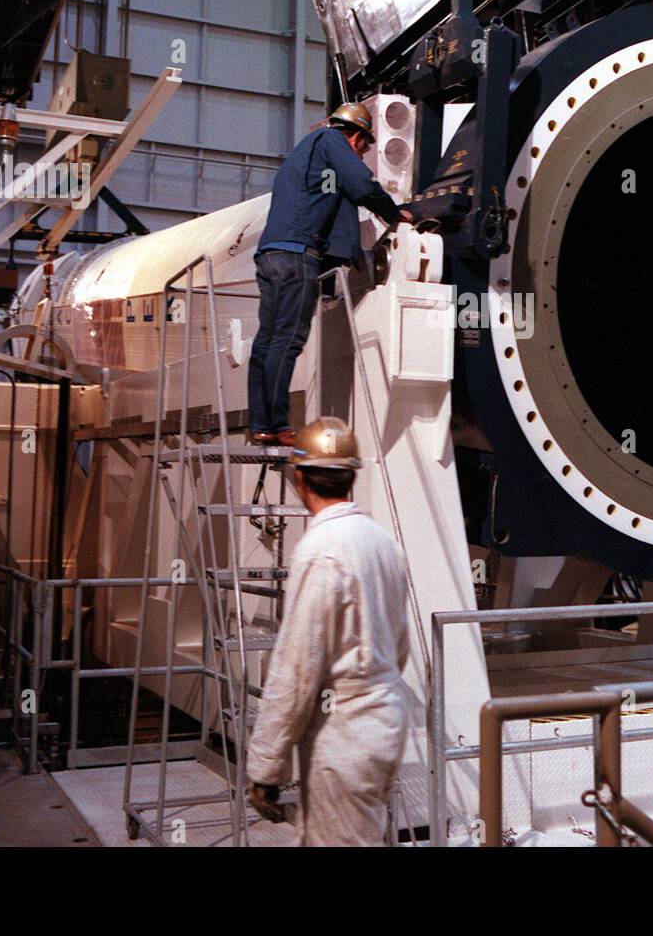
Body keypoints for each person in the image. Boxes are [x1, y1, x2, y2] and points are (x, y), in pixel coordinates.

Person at [244, 416, 411, 845]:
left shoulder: (320, 552)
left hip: (346, 734)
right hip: (384, 723)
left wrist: (266, 765)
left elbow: (298, 668)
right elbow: (401, 643)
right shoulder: (382, 541)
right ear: (351, 479)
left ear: (299, 479)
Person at [249, 102, 413, 444]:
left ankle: (262, 424)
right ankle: (277, 425)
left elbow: (332, 191)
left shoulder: (305, 152)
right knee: (288, 339)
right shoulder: (331, 141)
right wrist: (394, 213)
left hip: (271, 255)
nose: (363, 155)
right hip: (297, 258)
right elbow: (360, 184)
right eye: (364, 148)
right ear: (354, 137)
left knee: (266, 342)